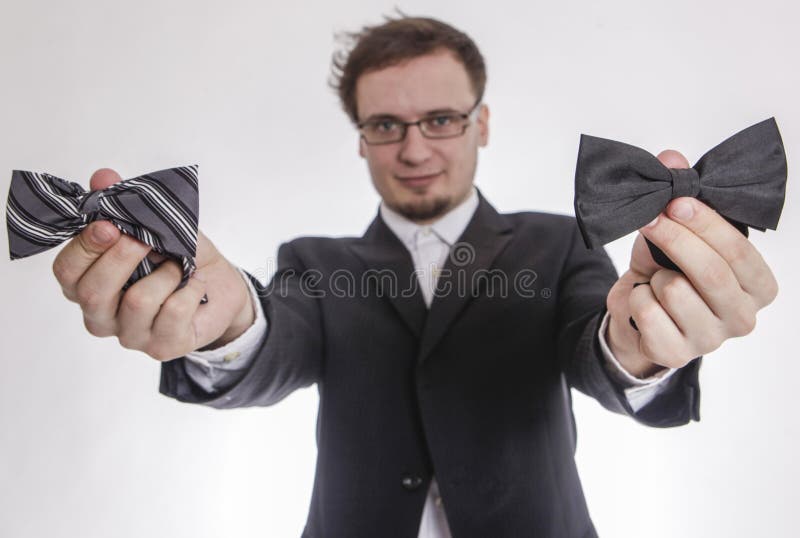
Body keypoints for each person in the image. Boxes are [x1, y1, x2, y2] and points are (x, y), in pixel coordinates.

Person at [50, 14, 778, 538]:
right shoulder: (315, 260)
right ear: (361, 139)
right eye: (386, 125)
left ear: (482, 123)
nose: (414, 147)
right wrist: (228, 321)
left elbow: (599, 343)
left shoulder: (559, 243)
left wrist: (649, 338)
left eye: (441, 119)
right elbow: (279, 340)